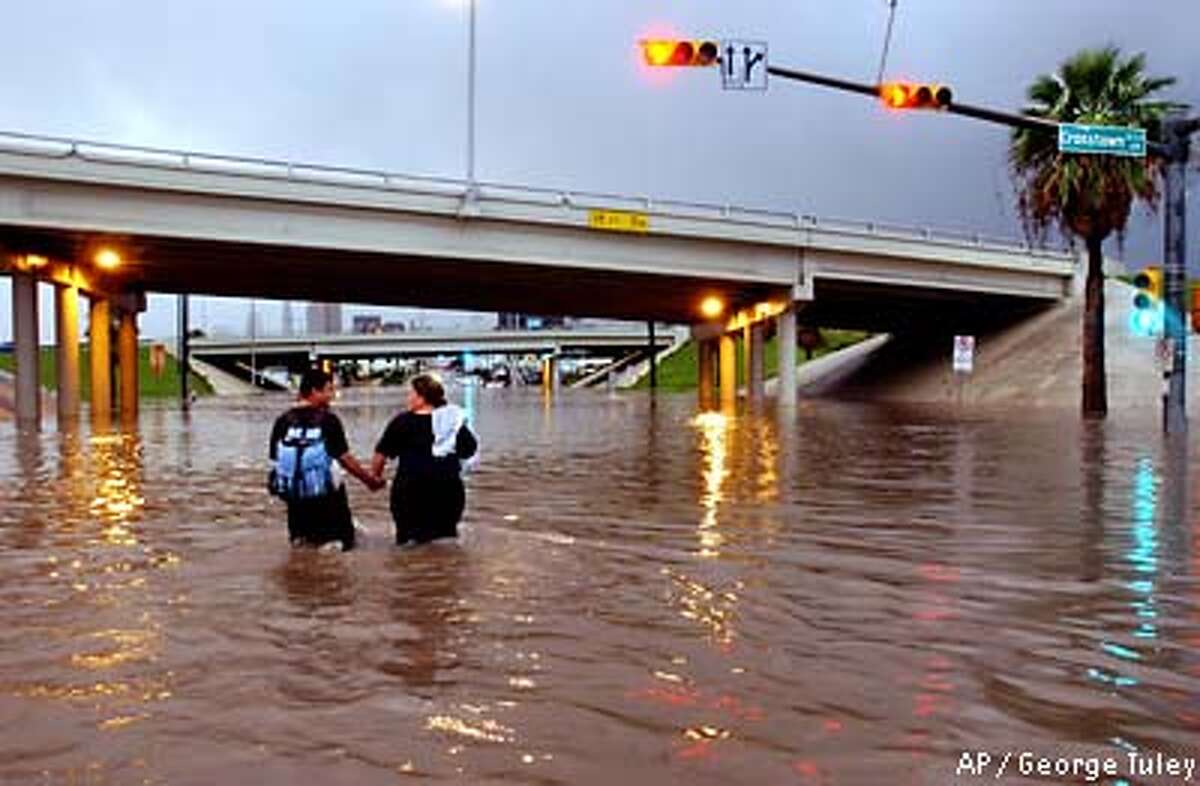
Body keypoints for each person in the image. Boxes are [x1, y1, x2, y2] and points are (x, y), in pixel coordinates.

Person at [268, 367, 382, 551]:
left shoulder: (283, 421)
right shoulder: (329, 420)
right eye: (329, 390)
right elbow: (345, 459)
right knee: (339, 550)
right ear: (314, 391)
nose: (333, 395)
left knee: (302, 548)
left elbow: (276, 459)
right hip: (328, 500)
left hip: (296, 501)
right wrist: (369, 480)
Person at [371, 373, 479, 546]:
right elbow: (469, 450)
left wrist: (375, 478)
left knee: (408, 544)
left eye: (411, 394)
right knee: (445, 543)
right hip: (447, 491)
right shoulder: (452, 422)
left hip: (410, 492)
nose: (408, 398)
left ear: (422, 398)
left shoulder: (402, 422)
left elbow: (381, 455)